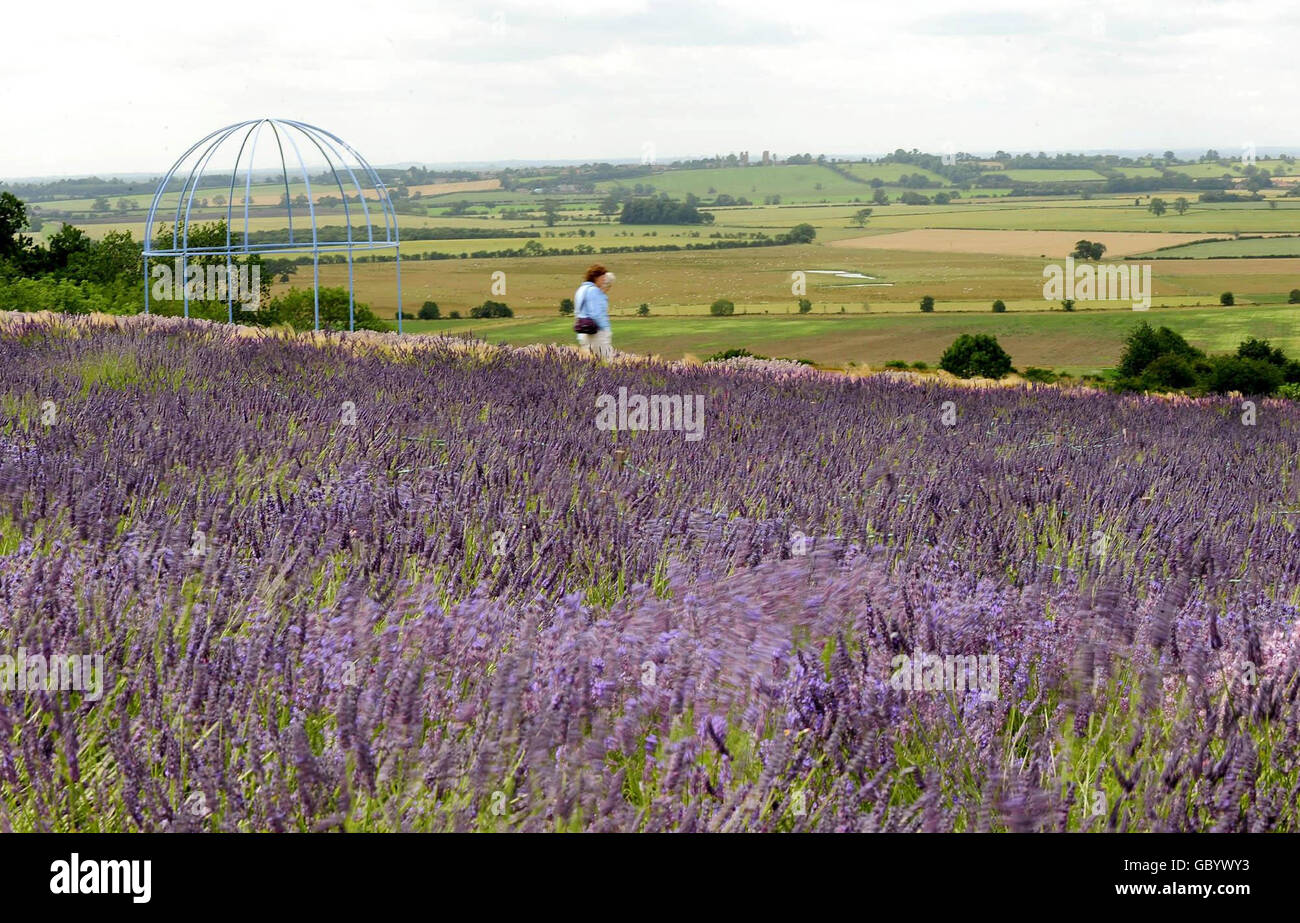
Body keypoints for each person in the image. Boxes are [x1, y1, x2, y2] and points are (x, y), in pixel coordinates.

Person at [574, 264, 614, 358]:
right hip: (596, 333)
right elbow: (596, 314)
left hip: (583, 331)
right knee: (606, 361)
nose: (604, 280)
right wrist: (606, 329)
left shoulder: (581, 289)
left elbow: (577, 311)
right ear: (596, 277)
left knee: (590, 360)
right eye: (602, 277)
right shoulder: (594, 290)